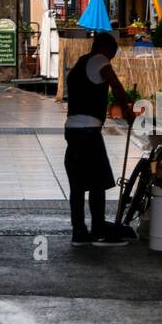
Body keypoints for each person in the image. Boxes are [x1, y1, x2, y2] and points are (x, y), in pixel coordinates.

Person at [64, 31, 136, 247]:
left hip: (72, 129)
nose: (111, 59)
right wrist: (127, 110)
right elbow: (115, 85)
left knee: (77, 184)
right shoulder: (99, 60)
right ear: (106, 49)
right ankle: (98, 229)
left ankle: (79, 230)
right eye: (112, 53)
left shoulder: (80, 63)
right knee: (97, 182)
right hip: (88, 131)